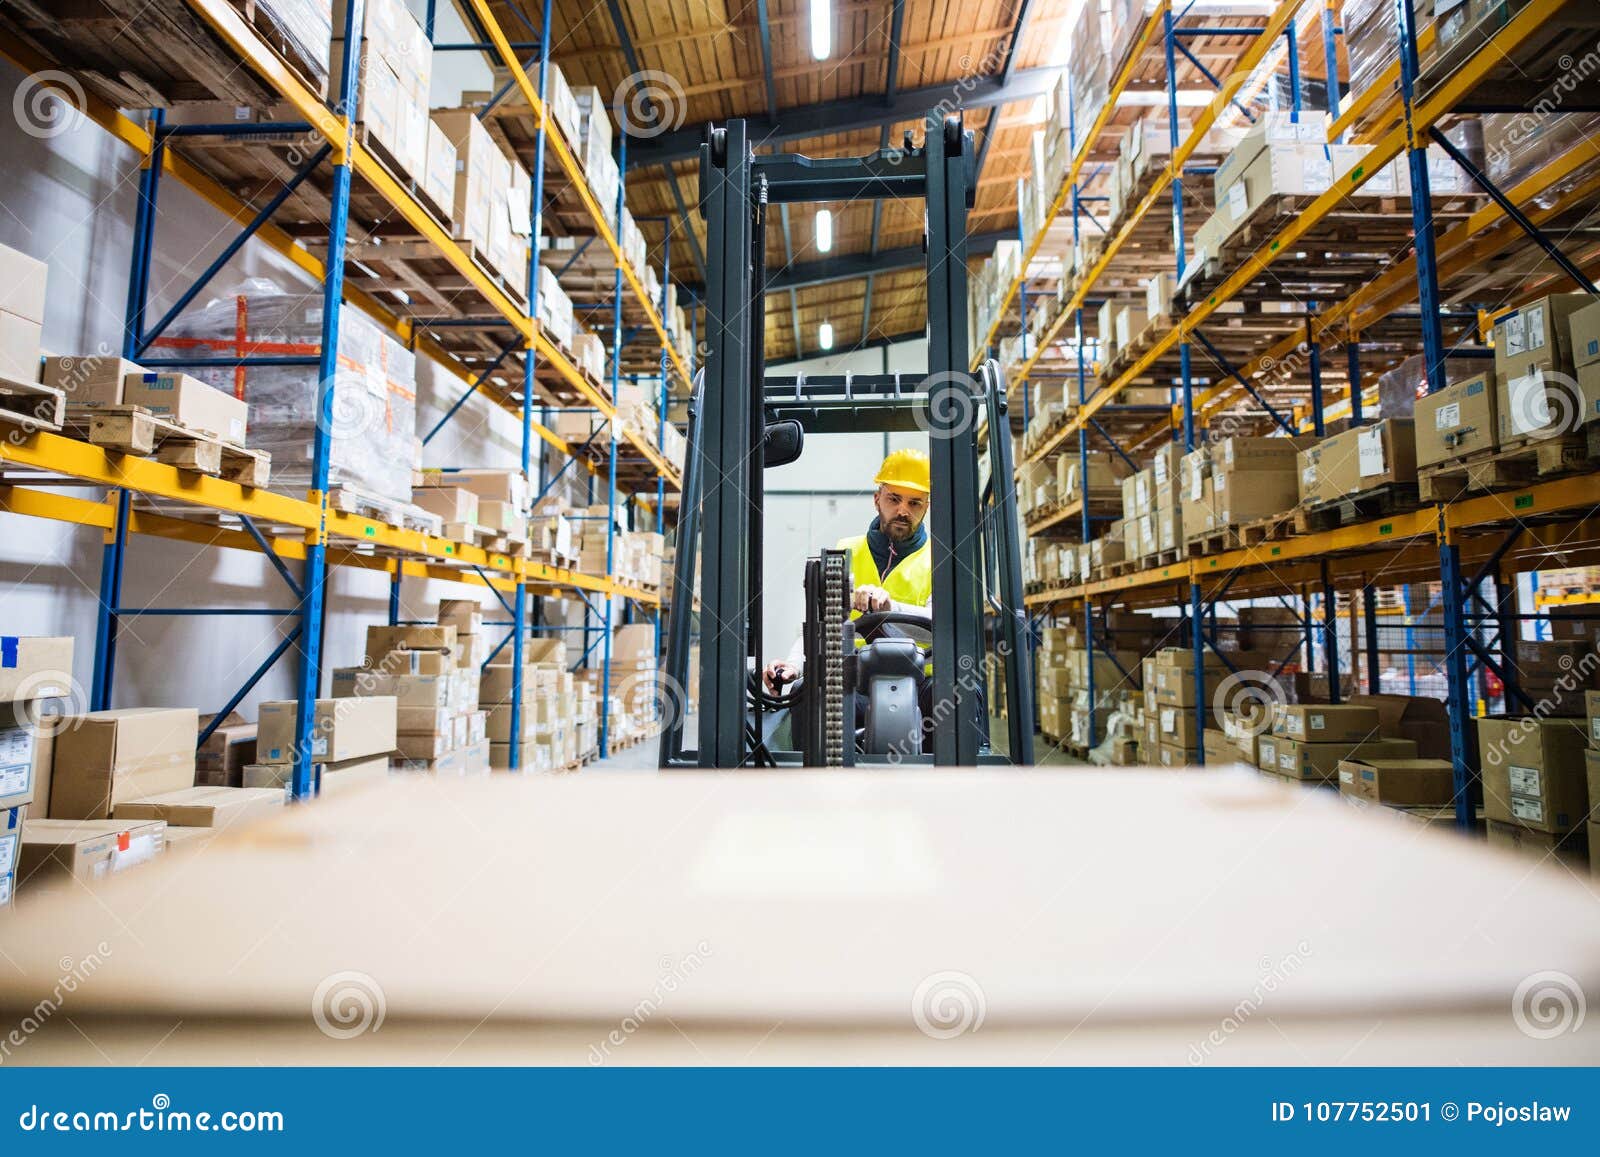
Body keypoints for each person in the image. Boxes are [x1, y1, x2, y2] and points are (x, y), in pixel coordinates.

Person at [763, 448, 933, 698]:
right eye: (894, 499)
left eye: (914, 502)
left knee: (959, 695)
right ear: (877, 500)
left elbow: (939, 628)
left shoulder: (938, 559)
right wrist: (794, 665)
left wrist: (890, 610)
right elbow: (820, 625)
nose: (903, 511)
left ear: (926, 507)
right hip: (855, 680)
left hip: (917, 682)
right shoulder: (846, 550)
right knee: (808, 696)